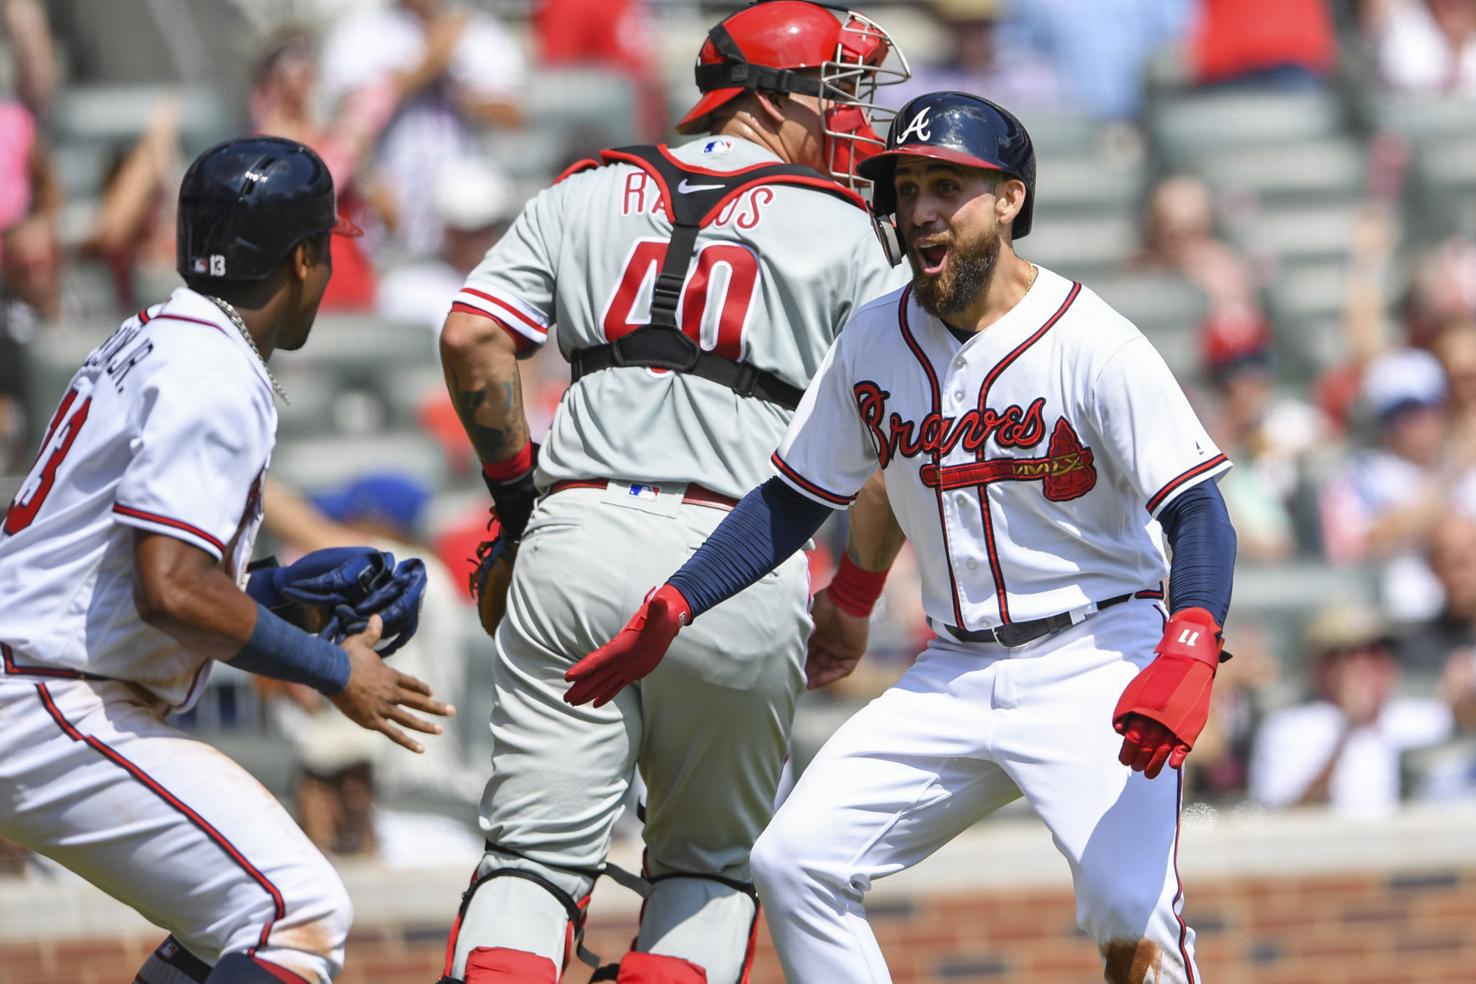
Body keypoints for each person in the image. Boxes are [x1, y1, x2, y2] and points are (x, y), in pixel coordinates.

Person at [565, 92, 1238, 983]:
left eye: (947, 186)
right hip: (953, 667)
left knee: (1129, 911)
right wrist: (682, 598)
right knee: (794, 862)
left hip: (1096, 653)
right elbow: (794, 497)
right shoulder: (874, 336)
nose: (920, 208)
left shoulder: (1091, 341)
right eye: (907, 186)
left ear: (1010, 200)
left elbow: (1198, 508)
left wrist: (1190, 643)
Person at [433, 3, 910, 980]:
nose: (853, 118)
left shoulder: (584, 187)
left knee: (531, 862)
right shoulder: (848, 228)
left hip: (576, 532)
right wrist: (855, 600)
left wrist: (520, 516)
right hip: (741, 554)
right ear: (769, 99)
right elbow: (886, 452)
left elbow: (472, 336)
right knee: (706, 869)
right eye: (836, 93)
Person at [0, 137, 453, 984]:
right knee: (296, 913)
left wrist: (274, 593)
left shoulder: (157, 333)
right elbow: (171, 589)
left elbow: (144, 577)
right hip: (45, 693)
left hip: (42, 677)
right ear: (305, 258)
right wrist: (332, 668)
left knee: (235, 921)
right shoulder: (211, 366)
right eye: (324, 250)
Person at [319, 0, 525, 257]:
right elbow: (352, 118)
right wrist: (429, 64)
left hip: (462, 216)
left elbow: (513, 117)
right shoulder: (362, 31)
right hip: (391, 208)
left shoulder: (476, 30)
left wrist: (457, 87)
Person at [1250, 604, 1455, 816]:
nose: (1363, 666)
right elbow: (1285, 817)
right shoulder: (1287, 729)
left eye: (1375, 651)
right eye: (1347, 655)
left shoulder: (1430, 718)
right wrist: (1348, 730)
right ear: (1320, 666)